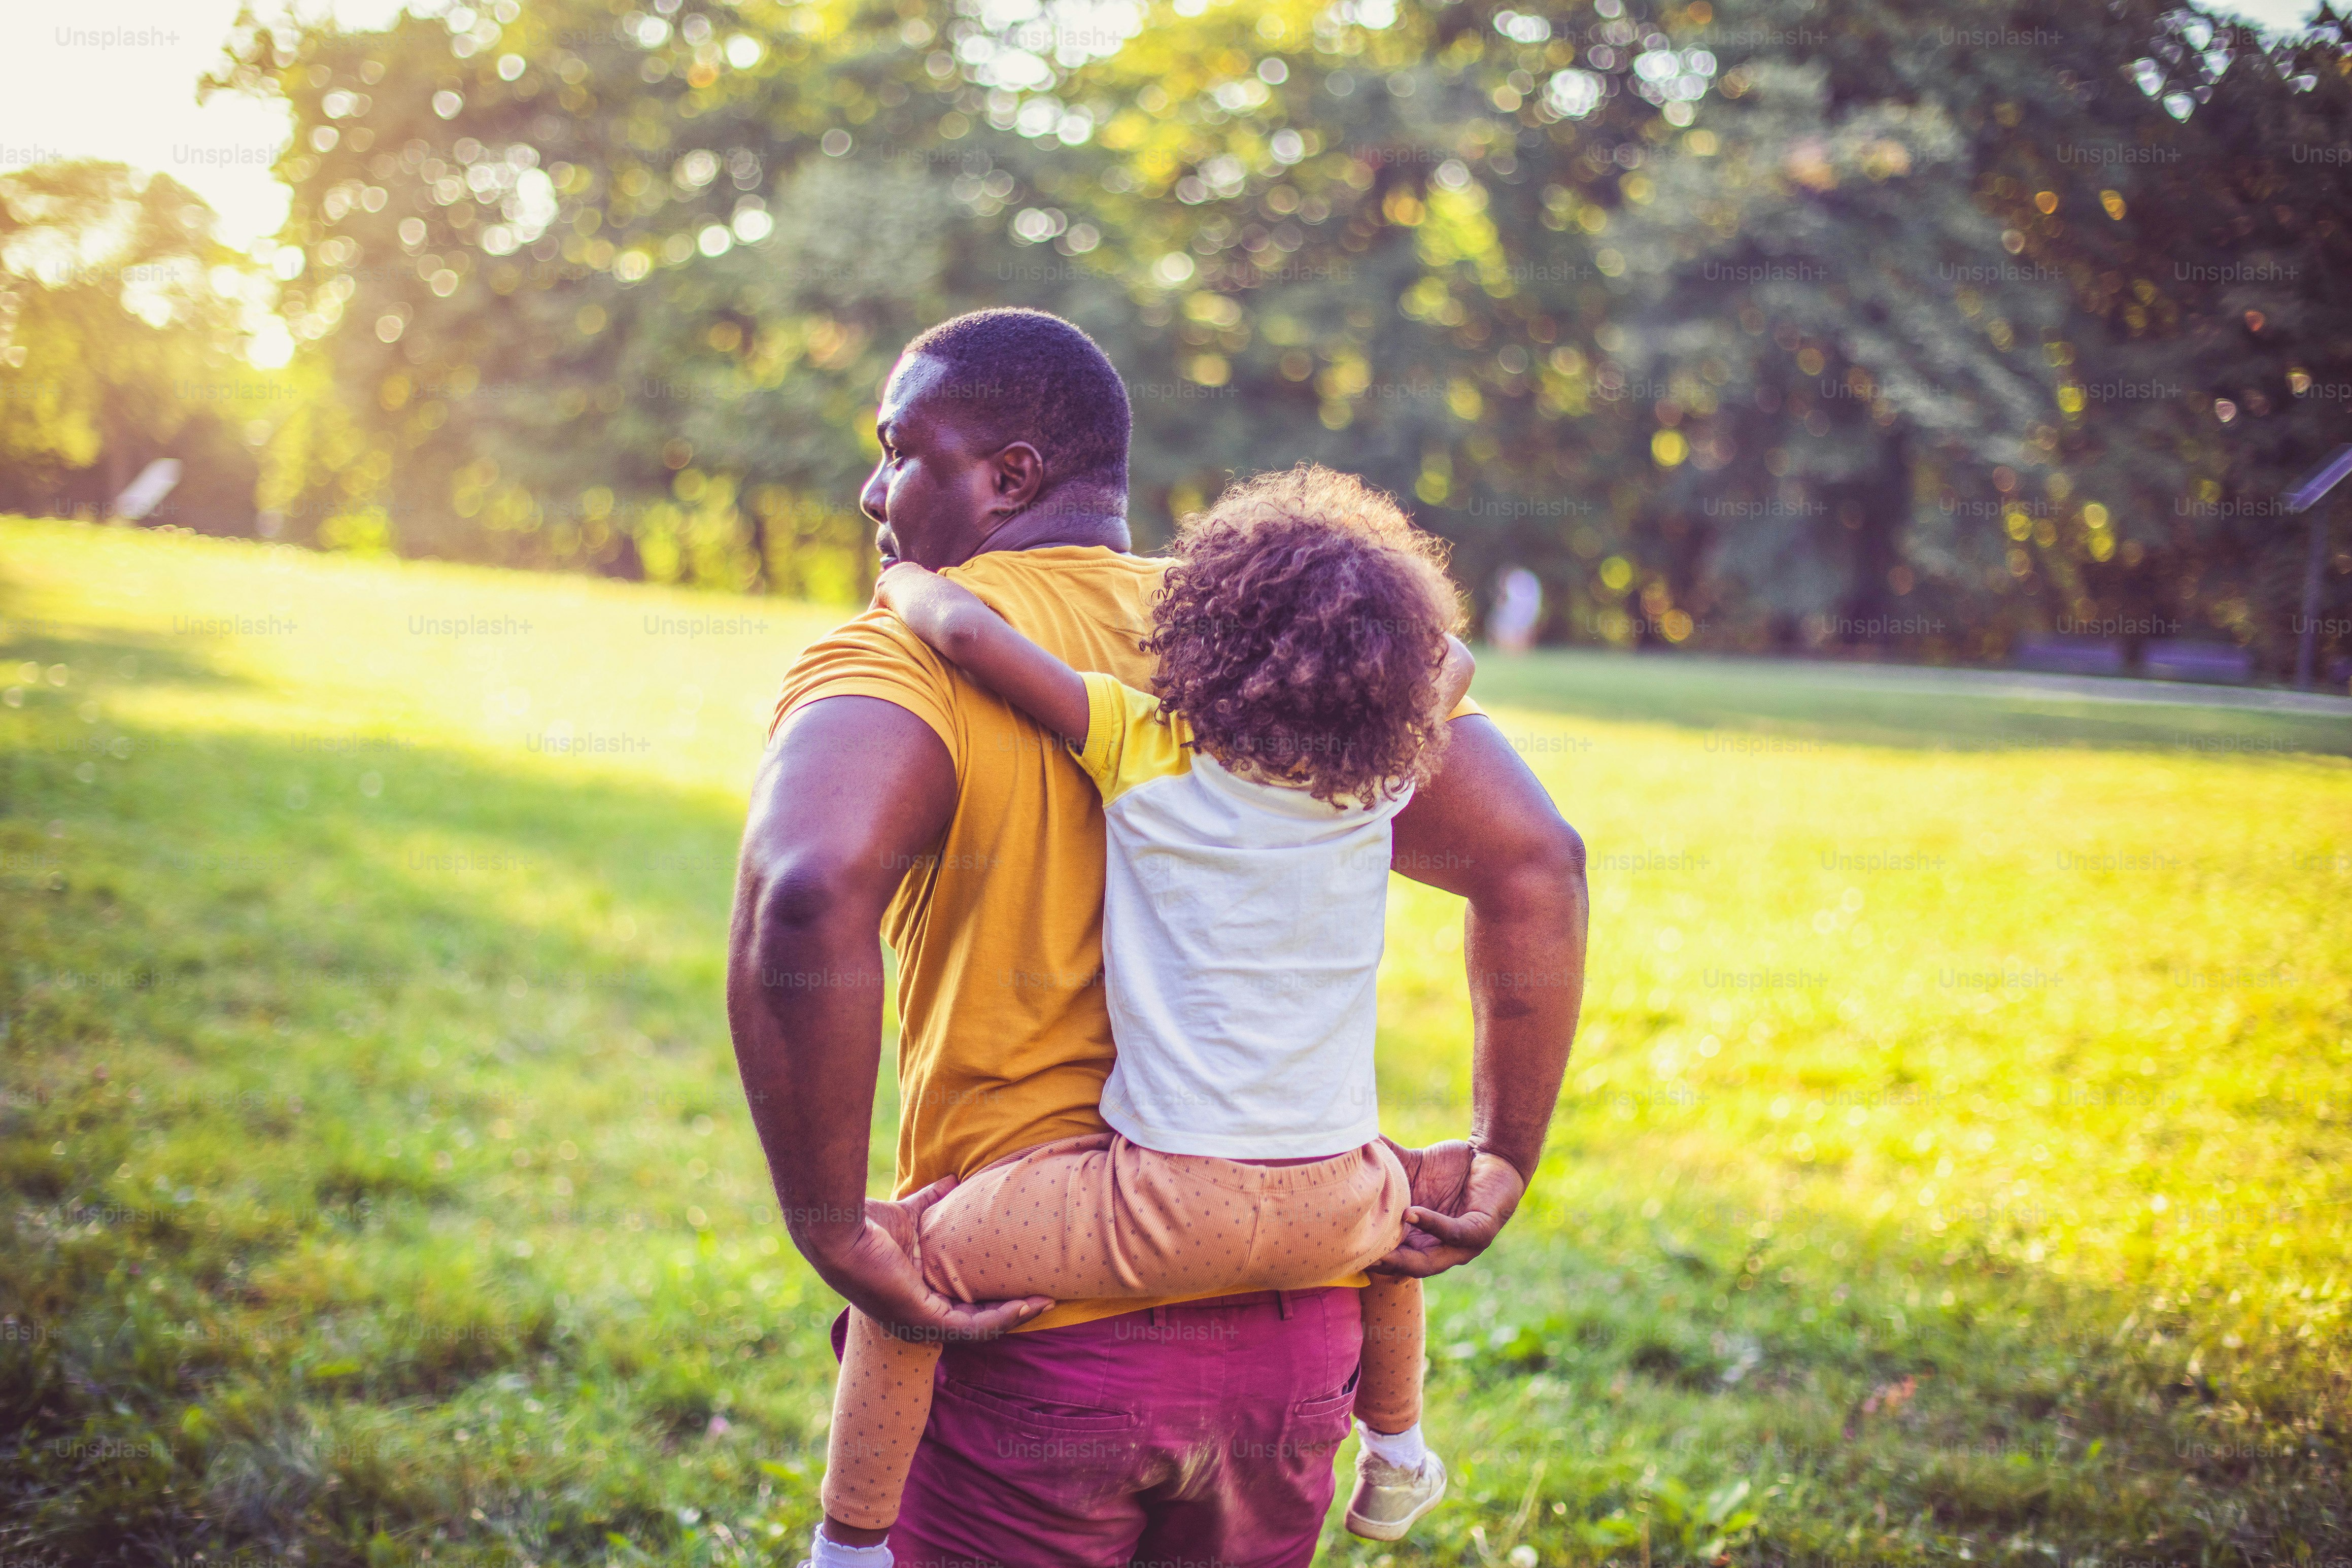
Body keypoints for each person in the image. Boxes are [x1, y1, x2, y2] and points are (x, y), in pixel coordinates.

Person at [726, 308, 1588, 1568]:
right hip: (1302, 1325)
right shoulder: (1286, 660)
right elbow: (1537, 861)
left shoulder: (906, 651)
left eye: (898, 450)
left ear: (1008, 475)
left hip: (1034, 1325)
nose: (872, 490)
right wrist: (1504, 1150)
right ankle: (1399, 1452)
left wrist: (826, 1223)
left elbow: (803, 888)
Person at [816, 465, 1476, 1553]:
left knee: (908, 1262)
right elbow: (1453, 663)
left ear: (1196, 637)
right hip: (1341, 1196)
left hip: (1163, 1198)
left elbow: (974, 641)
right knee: (1395, 1233)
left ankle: (847, 1541)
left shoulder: (1146, 748)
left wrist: (907, 585)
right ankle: (1398, 1451)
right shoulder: (1376, 785)